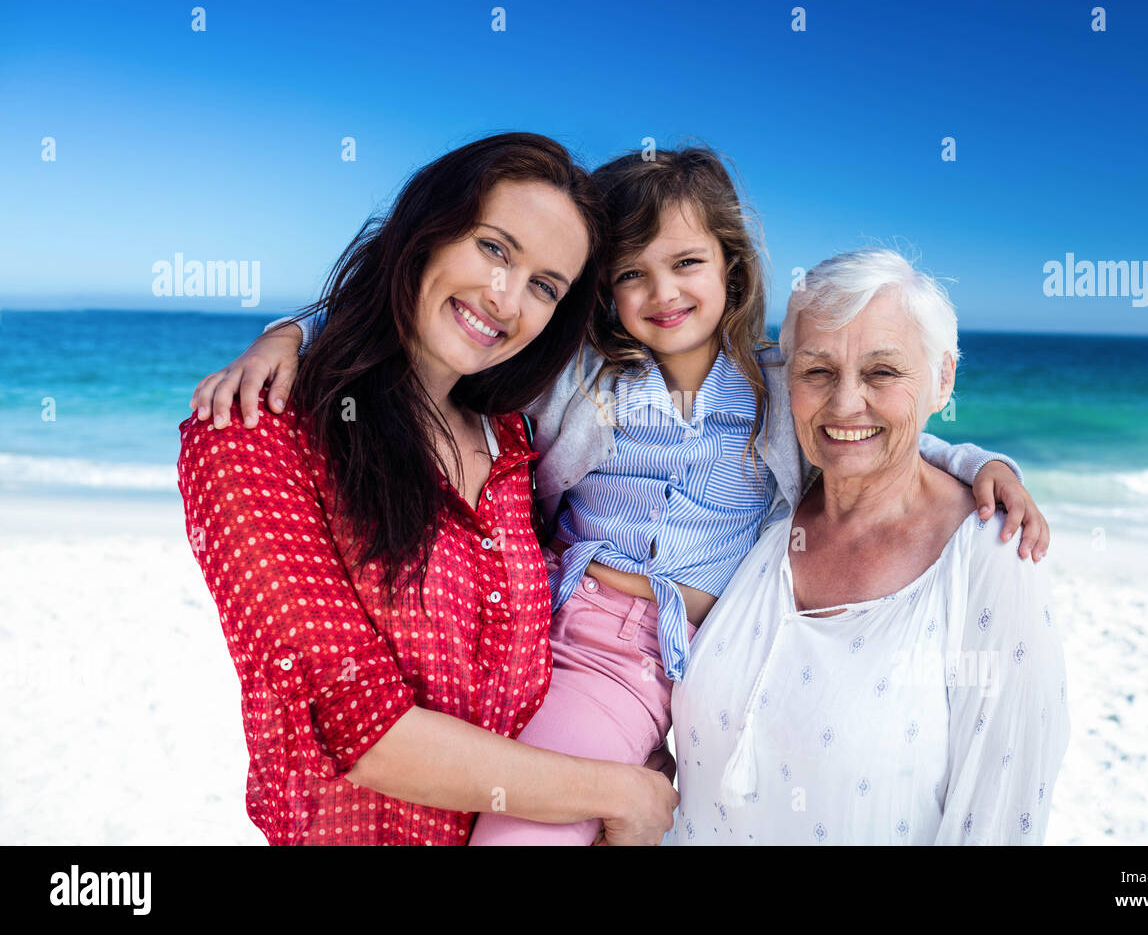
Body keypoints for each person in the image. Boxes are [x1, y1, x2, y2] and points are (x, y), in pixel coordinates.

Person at [191, 147, 1050, 845]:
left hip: (673, 662)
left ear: (731, 269)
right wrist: (295, 331)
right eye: (630, 275)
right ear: (602, 296)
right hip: (583, 640)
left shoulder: (778, 387)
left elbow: (865, 417)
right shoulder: (578, 381)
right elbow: (424, 340)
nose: (663, 293)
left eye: (686, 265)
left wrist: (979, 464)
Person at [179, 132, 680, 846]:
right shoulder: (254, 433)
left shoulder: (513, 445)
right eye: (494, 248)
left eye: (545, 286)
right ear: (426, 232)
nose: (505, 299)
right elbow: (361, 727)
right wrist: (616, 791)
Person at [667, 247, 1070, 844]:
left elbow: (1001, 815)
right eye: (817, 371)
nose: (844, 403)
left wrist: (985, 464)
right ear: (785, 379)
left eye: (883, 372)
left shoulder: (992, 553)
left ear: (943, 379)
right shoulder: (764, 506)